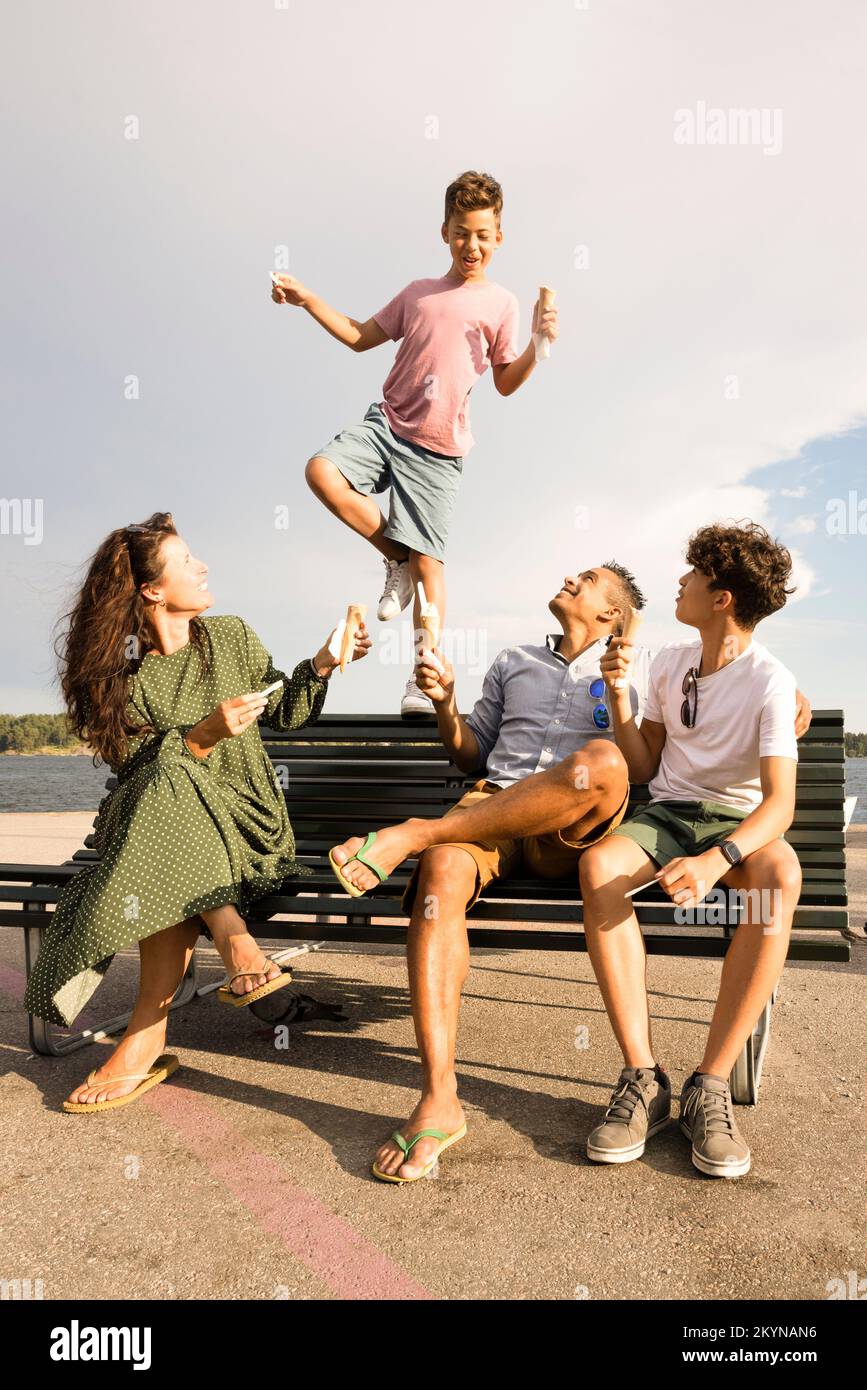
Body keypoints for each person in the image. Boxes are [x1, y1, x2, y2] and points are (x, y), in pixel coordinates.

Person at [328, 556, 811, 1183]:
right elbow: (470, 749)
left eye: (586, 581)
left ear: (612, 612)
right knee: (442, 874)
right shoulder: (512, 660)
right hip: (489, 810)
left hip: (573, 826)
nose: (569, 580)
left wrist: (785, 693)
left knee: (603, 761)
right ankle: (439, 1097)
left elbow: (716, 685)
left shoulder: (640, 662)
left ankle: (416, 834)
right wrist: (446, 706)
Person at [23, 512, 370, 1112]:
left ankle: (153, 1029)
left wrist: (321, 662)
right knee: (166, 780)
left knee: (164, 803)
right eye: (187, 562)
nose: (203, 566)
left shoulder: (230, 637)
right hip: (165, 828)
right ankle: (228, 953)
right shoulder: (118, 675)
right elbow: (137, 767)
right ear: (152, 590)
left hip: (246, 827)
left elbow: (284, 709)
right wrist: (200, 738)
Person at [271, 169, 558, 716]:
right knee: (321, 471)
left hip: (440, 449)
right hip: (387, 423)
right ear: (444, 231)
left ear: (498, 238)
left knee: (432, 567)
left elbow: (504, 381)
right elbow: (359, 338)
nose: (470, 245)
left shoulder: (501, 304)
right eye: (460, 232)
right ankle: (395, 556)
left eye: (481, 235)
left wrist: (538, 349)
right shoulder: (417, 294)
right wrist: (308, 298)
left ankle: (421, 676)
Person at [580, 522, 801, 1180]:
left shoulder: (769, 680)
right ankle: (643, 1080)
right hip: (670, 812)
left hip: (735, 822)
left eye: (691, 574)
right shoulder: (669, 662)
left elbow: (778, 805)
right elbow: (644, 761)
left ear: (722, 597)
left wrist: (716, 861)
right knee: (598, 866)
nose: (679, 582)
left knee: (779, 876)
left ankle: (708, 1086)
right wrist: (618, 695)